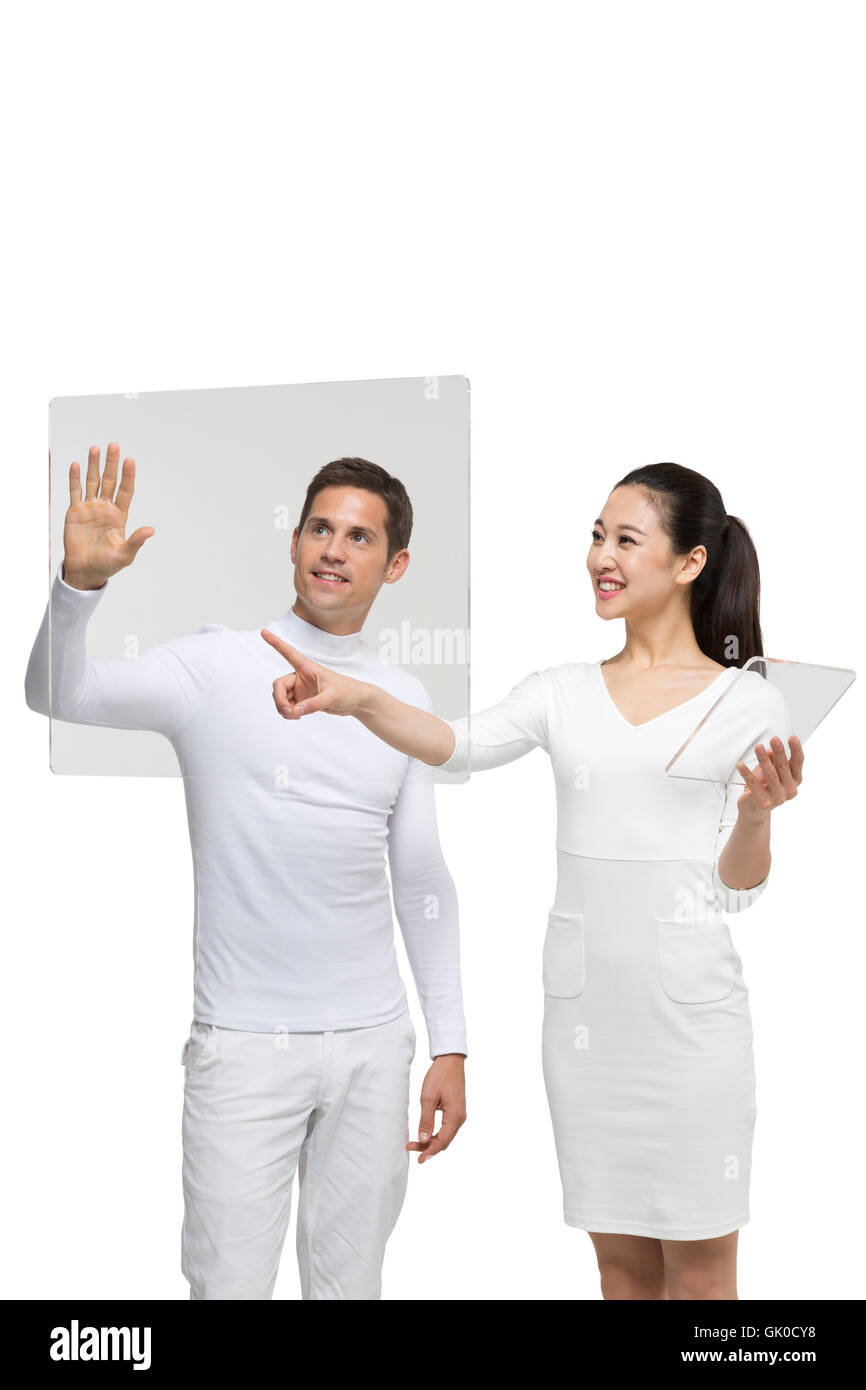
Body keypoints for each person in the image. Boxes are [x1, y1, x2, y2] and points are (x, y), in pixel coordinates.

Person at [261, 461, 804, 1301]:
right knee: (620, 1272)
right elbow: (457, 743)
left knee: (700, 1278)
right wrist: (357, 699)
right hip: (588, 1027)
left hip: (693, 1032)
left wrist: (760, 817)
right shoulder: (562, 692)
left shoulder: (748, 702)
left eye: (627, 539)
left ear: (690, 563)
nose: (601, 557)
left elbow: (737, 888)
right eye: (596, 536)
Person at [25, 444, 468, 1301]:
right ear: (295, 542)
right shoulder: (214, 666)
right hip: (243, 1050)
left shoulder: (400, 699)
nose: (334, 549)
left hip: (374, 1048)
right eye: (320, 528)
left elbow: (419, 876)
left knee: (351, 1291)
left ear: (396, 562)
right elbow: (58, 693)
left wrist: (448, 1039)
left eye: (360, 537)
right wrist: (79, 590)